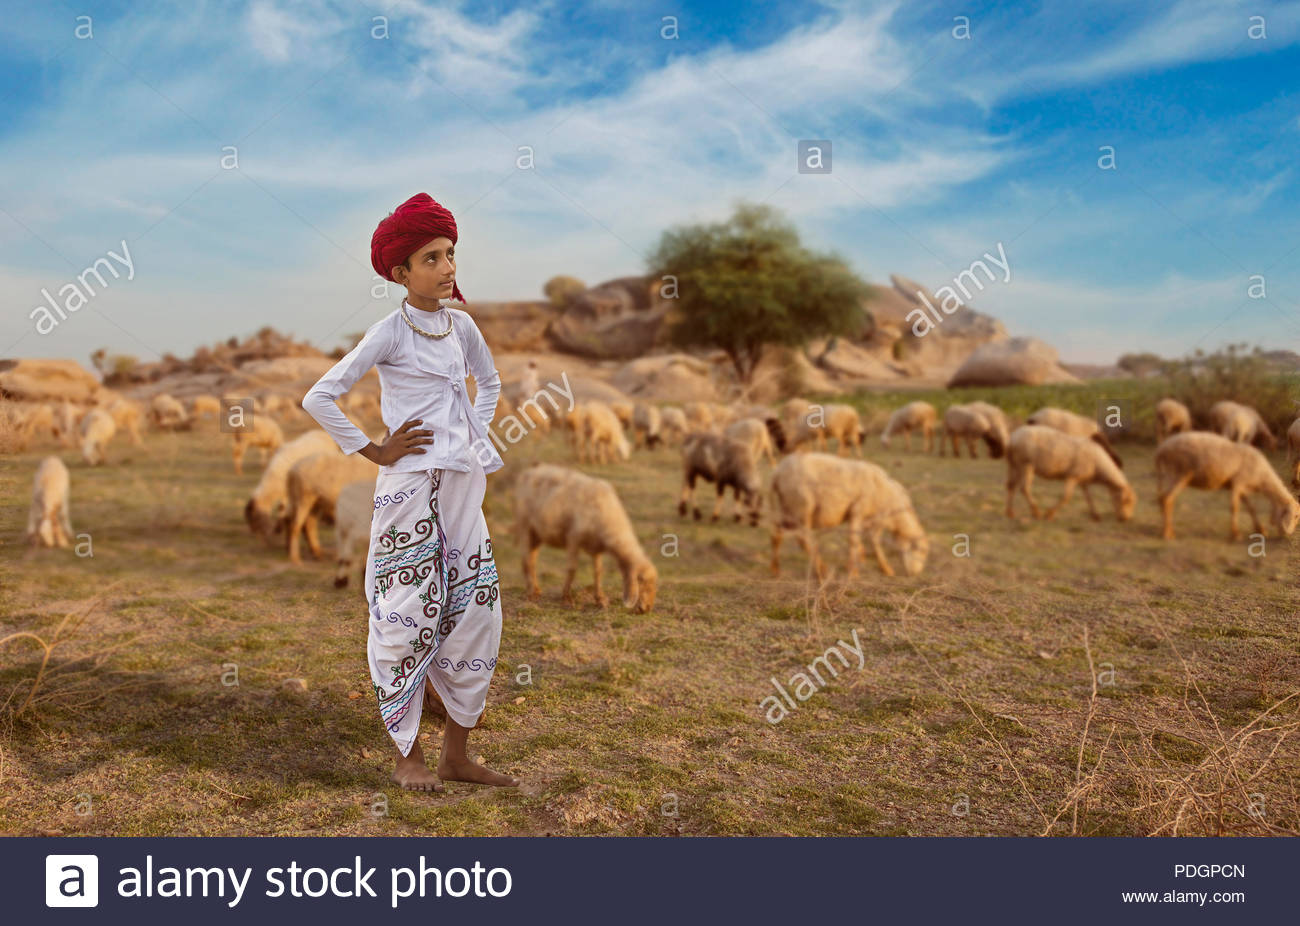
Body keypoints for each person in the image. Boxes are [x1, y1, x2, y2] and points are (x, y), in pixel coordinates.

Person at [301, 192, 518, 792]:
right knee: (404, 616)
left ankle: (457, 756)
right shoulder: (389, 332)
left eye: (450, 254)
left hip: (463, 489)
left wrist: (477, 432)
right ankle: (408, 757)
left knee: (478, 611)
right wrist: (373, 449)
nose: (448, 268)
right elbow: (320, 395)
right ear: (400, 273)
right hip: (407, 490)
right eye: (432, 258)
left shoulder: (463, 326)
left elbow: (491, 381)